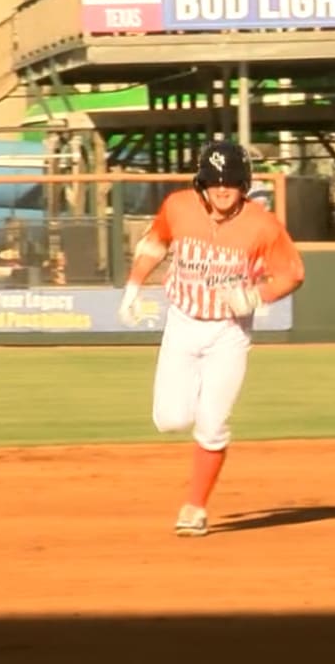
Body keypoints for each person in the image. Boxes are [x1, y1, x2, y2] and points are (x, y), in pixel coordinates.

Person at [118, 140, 305, 537]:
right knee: (171, 419)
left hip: (229, 332)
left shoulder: (262, 224)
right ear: (201, 182)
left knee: (212, 423)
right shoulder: (178, 207)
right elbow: (154, 243)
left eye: (231, 182)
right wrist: (133, 286)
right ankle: (192, 431)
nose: (222, 189)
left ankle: (195, 508)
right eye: (215, 181)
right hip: (182, 323)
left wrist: (255, 296)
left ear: (244, 184)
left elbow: (292, 273)